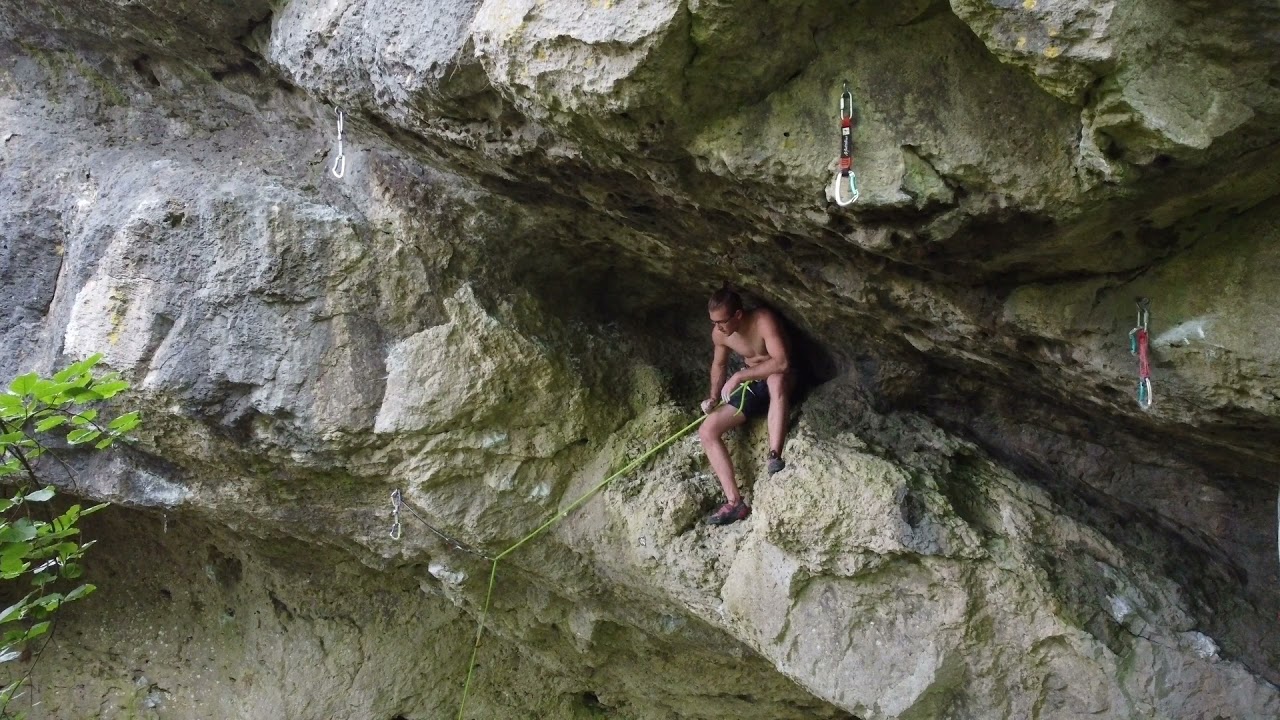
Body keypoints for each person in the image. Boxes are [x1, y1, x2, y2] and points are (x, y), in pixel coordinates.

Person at [697, 284, 794, 526]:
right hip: (754, 384)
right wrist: (714, 397)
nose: (717, 327)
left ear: (738, 315)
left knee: (776, 379)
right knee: (707, 430)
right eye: (713, 322)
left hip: (783, 378)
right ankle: (735, 503)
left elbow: (781, 363)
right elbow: (719, 366)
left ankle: (774, 455)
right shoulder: (720, 334)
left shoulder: (763, 320)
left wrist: (740, 376)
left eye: (722, 321)